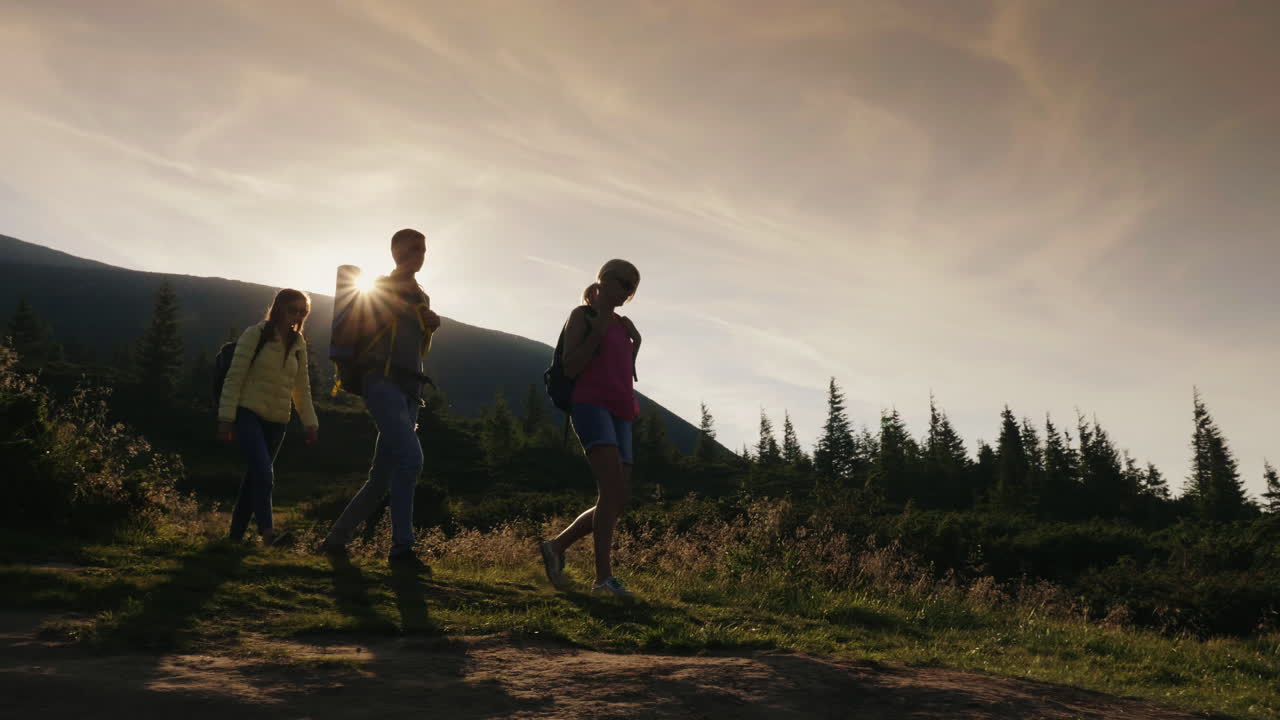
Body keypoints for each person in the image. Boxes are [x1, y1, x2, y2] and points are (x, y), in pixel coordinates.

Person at [321, 228, 441, 571]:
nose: (419, 253)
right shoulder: (382, 287)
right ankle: (401, 550)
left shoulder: (422, 297)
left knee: (381, 477)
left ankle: (336, 540)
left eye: (423, 248)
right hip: (381, 383)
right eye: (413, 247)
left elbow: (415, 346)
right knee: (411, 459)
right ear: (396, 251)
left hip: (408, 391)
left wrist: (430, 325)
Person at [539, 259, 642, 596]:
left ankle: (555, 547)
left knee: (618, 497)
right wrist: (598, 331)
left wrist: (634, 344)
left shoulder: (624, 327)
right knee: (611, 490)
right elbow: (570, 366)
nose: (626, 290)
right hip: (590, 406)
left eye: (632, 286)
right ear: (603, 280)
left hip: (622, 411)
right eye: (622, 282)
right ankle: (603, 579)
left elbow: (623, 373)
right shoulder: (582, 316)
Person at [217, 288, 319, 545]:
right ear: (278, 307)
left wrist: (310, 423)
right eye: (292, 309)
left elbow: (301, 388)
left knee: (254, 478)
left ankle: (234, 539)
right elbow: (235, 377)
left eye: (302, 312)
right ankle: (268, 534)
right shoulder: (256, 334)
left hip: (278, 421)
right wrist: (226, 418)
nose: (296, 316)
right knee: (264, 473)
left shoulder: (298, 344)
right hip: (247, 413)